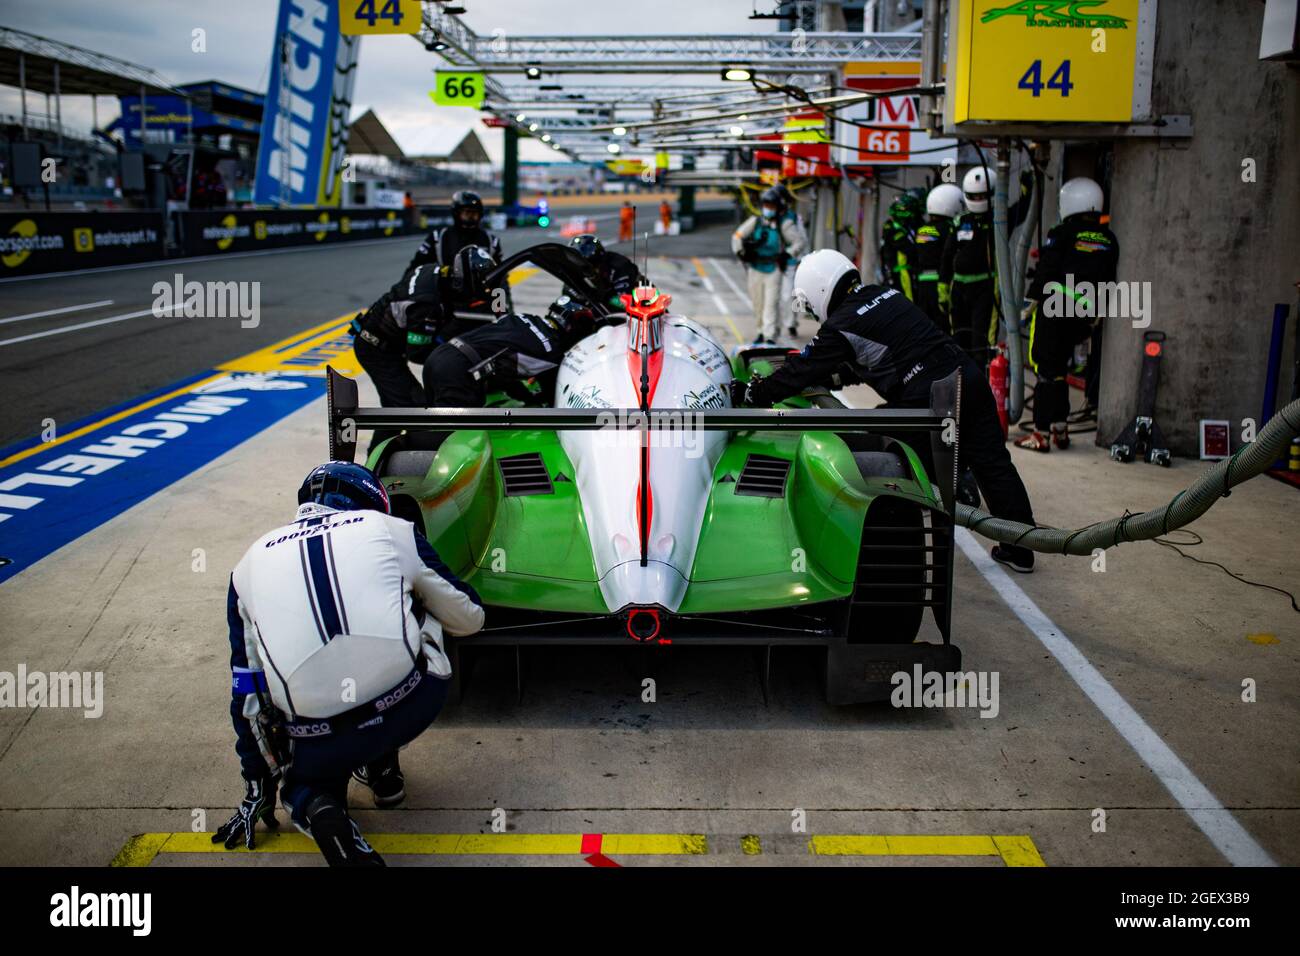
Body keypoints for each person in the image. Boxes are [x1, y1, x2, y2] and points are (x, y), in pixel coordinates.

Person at [218, 462, 484, 866]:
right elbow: (469, 619)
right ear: (372, 500)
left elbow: (247, 694)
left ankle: (319, 805)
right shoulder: (392, 531)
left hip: (318, 731)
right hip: (409, 705)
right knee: (416, 611)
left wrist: (257, 783)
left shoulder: (246, 567)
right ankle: (383, 765)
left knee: (302, 786)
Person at [744, 249, 1038, 574]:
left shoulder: (841, 323)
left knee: (877, 444)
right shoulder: (883, 293)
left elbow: (802, 368)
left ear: (819, 291)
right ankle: (1021, 548)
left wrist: (756, 393)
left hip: (932, 396)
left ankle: (905, 527)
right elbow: (882, 353)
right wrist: (833, 377)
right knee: (995, 465)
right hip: (967, 376)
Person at [349, 245, 497, 450]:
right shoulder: (426, 303)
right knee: (412, 408)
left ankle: (377, 459)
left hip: (384, 341)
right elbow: (418, 353)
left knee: (395, 408)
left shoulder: (436, 271)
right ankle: (406, 458)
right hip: (376, 349)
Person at [1017, 177, 1119, 452]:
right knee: (1060, 371)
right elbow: (1109, 279)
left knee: (1045, 370)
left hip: (1053, 309)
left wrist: (1028, 305)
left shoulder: (1061, 233)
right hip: (1082, 316)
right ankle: (1060, 429)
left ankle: (1039, 433)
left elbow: (1047, 270)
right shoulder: (1109, 238)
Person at [423, 296, 605, 408]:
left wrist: (521, 393)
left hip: (439, 354)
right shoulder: (552, 351)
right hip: (458, 371)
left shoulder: (524, 317)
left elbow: (505, 366)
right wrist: (531, 398)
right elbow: (551, 397)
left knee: (432, 421)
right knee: (452, 436)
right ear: (573, 330)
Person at [732, 185, 807, 344]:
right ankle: (760, 331)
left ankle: (770, 335)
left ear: (778, 206)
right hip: (755, 267)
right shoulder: (755, 222)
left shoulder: (785, 224)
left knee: (771, 304)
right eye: (766, 205)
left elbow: (799, 241)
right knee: (758, 302)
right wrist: (741, 252)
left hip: (774, 268)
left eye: (771, 206)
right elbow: (738, 235)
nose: (768, 209)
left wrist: (787, 254)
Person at [407, 189, 502, 272]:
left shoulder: (491, 241)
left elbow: (500, 277)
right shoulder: (438, 238)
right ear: (456, 213)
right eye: (467, 213)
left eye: (474, 213)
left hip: (480, 291)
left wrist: (500, 293)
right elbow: (415, 269)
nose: (471, 217)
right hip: (444, 290)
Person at [911, 183, 964, 332]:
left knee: (927, 330)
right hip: (943, 285)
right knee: (947, 329)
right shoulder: (949, 229)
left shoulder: (922, 230)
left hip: (922, 288)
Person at [567, 233, 643, 309]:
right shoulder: (579, 270)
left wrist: (600, 299)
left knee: (600, 306)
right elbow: (568, 295)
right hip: (608, 301)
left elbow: (627, 302)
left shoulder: (619, 266)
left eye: (584, 265)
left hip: (642, 302)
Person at [879, 190, 924, 300]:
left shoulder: (905, 227)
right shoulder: (892, 229)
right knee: (908, 303)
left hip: (906, 273)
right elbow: (911, 250)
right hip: (900, 274)